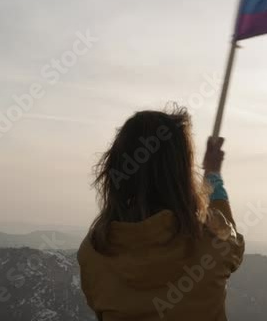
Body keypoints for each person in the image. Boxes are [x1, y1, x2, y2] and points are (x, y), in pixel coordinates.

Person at [77, 106, 245, 320]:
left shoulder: (93, 254)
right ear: (180, 173)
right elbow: (232, 243)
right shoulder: (211, 241)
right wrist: (212, 176)